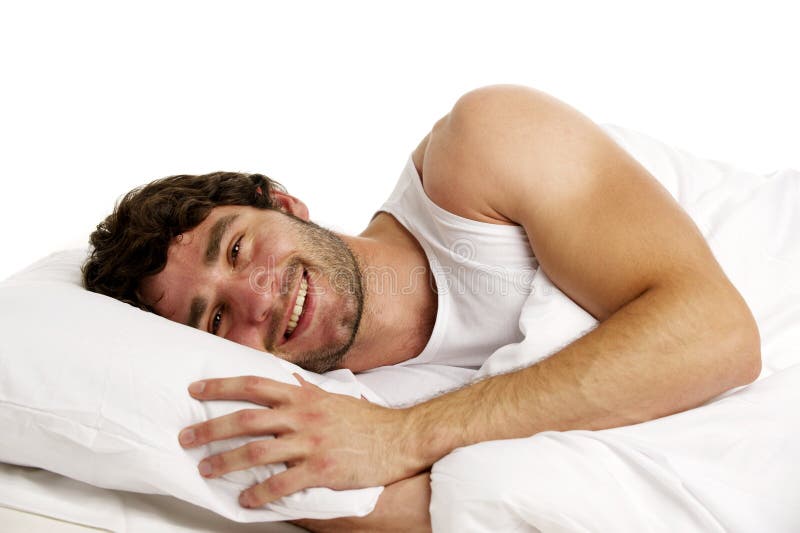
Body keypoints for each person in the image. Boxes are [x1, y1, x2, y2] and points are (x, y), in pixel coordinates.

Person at [82, 85, 762, 532]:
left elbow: (717, 334)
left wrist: (405, 437)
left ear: (283, 202)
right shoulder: (321, 425)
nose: (260, 295)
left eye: (238, 249)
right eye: (216, 318)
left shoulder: (482, 147)